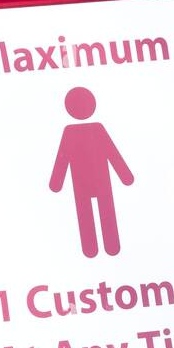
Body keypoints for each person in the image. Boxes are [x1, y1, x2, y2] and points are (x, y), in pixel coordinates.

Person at [48, 87, 134, 258]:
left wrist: (56, 183)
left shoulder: (79, 131)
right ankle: (101, 248)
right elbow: (113, 154)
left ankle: (98, 248)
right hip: (93, 182)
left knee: (92, 213)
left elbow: (112, 153)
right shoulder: (87, 130)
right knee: (95, 212)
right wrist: (125, 176)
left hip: (89, 183)